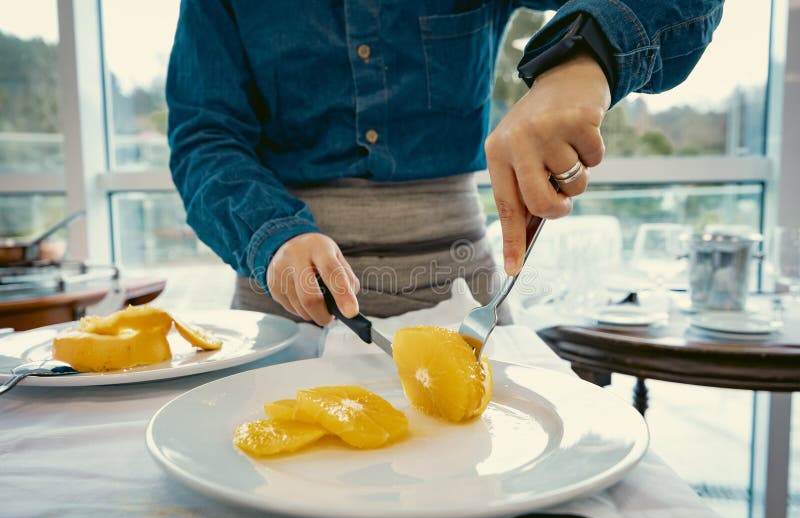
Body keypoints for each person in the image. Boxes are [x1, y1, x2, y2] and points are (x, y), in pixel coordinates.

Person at [167, 1, 724, 326]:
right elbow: (204, 134)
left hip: (464, 297)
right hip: (281, 300)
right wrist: (272, 236)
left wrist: (586, 58)